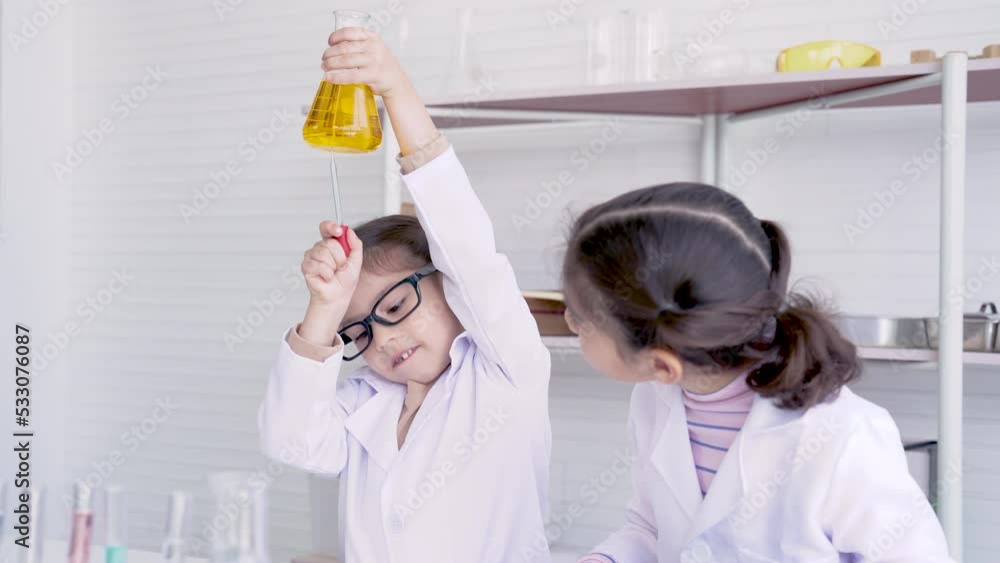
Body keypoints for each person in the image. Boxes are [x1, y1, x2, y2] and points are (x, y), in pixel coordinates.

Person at [257, 27, 552, 563]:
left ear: (448, 283)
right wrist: (326, 307)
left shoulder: (504, 372)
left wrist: (394, 88)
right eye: (360, 333)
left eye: (395, 307)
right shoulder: (368, 400)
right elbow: (291, 441)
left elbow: (467, 243)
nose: (384, 339)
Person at [566, 183, 952, 562]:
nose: (569, 321)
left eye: (582, 320)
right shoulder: (655, 399)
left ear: (662, 364)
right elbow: (654, 529)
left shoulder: (842, 435)